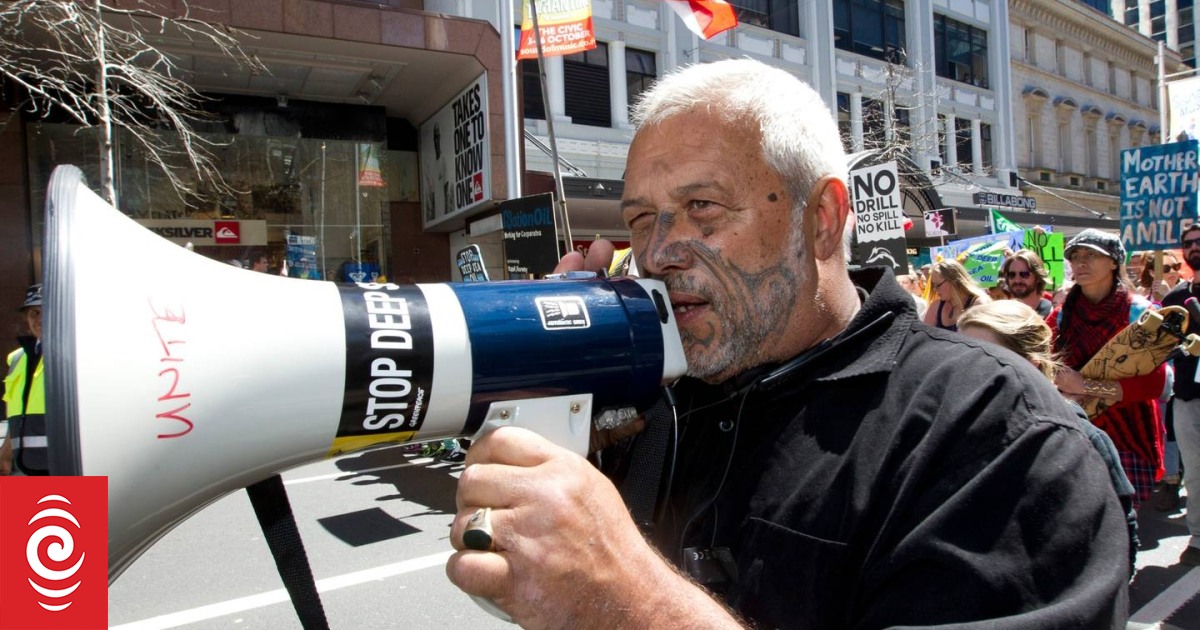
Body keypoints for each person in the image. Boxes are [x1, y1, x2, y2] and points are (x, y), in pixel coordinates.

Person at [445, 59, 1129, 628]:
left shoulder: (995, 438)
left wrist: (625, 601)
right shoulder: (654, 404)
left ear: (823, 218)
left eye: (701, 208)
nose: (656, 252)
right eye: (642, 218)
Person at [957, 300, 1138, 577]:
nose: (966, 370)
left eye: (985, 358)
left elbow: (1120, 531)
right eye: (959, 354)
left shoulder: (1080, 439)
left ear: (1031, 365)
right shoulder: (958, 432)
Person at [1047, 229, 1166, 508]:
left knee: (1122, 525)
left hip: (1128, 432)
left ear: (1114, 262)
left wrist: (1086, 386)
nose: (1081, 262)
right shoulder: (1062, 314)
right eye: (1075, 256)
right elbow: (1040, 358)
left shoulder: (1140, 313)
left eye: (1091, 255)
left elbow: (1154, 385)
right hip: (1077, 429)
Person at [1161, 223, 1200, 564]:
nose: (1193, 247)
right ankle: (1199, 538)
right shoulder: (1175, 300)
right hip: (1188, 399)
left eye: (1199, 241)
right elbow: (1159, 348)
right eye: (1188, 243)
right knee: (1196, 472)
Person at [0, 284, 46, 476]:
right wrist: (5, 454)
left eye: (46, 310)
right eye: (34, 312)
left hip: (67, 468)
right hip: (25, 470)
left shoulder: (78, 357)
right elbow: (18, 414)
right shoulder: (17, 358)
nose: (39, 318)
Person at [922, 258, 991, 331]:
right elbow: (925, 337)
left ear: (954, 281)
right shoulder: (936, 307)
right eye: (933, 286)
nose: (935, 289)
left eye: (938, 285)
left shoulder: (979, 304)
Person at [1001, 249, 1054, 317]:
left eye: (1025, 274)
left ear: (1037, 277)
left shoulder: (1053, 314)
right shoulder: (1001, 315)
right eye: (1012, 274)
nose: (1017, 280)